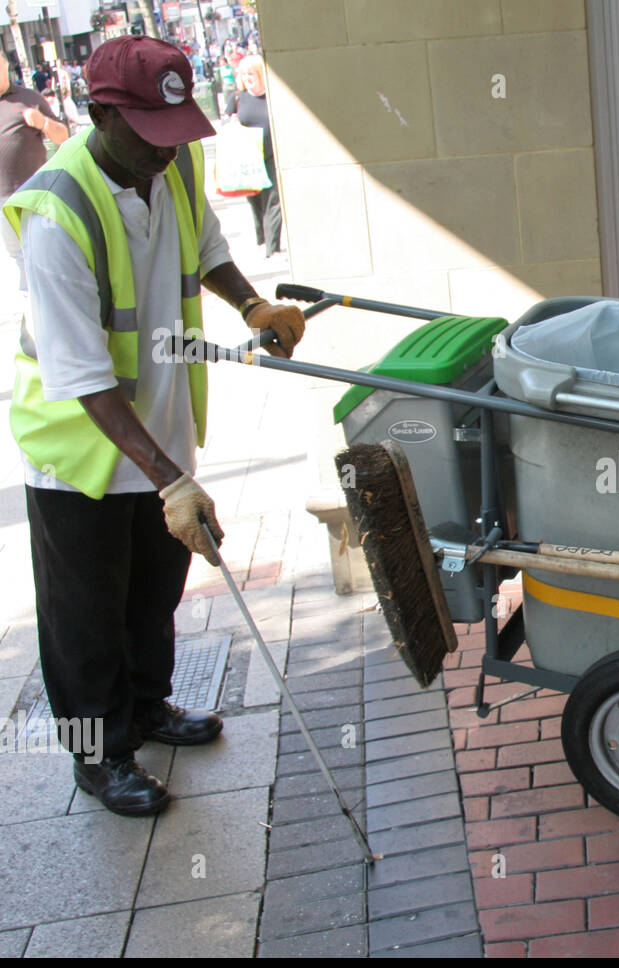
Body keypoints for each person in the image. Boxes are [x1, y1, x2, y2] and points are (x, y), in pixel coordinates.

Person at [3, 35, 306, 817]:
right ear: (101, 114)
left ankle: (148, 708)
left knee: (152, 592)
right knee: (84, 615)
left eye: (177, 135)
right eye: (150, 136)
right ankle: (97, 756)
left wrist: (252, 303)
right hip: (82, 453)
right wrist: (168, 477)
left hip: (160, 432)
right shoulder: (55, 213)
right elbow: (83, 378)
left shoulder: (171, 164)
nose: (167, 154)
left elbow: (205, 247)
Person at [1, 60, 70, 297]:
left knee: (47, 251)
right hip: (3, 200)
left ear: (6, 66)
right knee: (20, 257)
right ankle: (35, 308)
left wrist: (43, 122)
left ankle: (54, 301)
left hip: (34, 194)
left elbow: (63, 136)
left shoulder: (28, 98)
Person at [228, 55, 280, 257]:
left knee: (273, 200)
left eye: (252, 73)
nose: (248, 77)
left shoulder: (272, 96)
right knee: (255, 201)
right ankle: (262, 237)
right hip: (249, 158)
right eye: (244, 74)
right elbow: (228, 120)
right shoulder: (238, 97)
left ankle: (272, 247)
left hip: (271, 155)